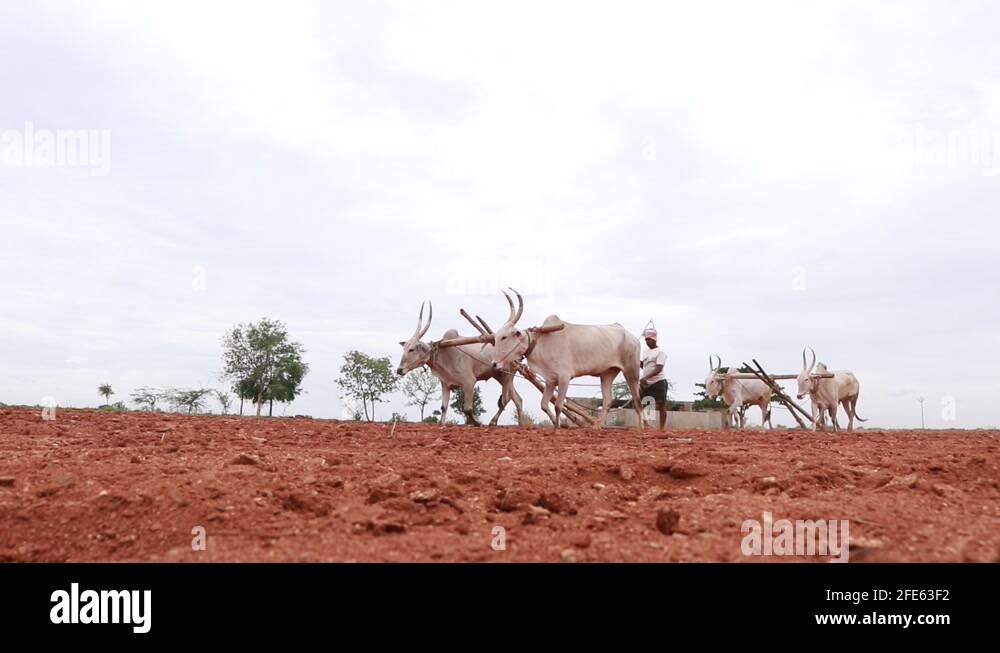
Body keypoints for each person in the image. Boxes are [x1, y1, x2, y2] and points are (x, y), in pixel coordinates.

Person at [639, 326, 668, 429]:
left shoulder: (661, 352)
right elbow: (643, 365)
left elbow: (659, 368)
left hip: (658, 382)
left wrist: (645, 377)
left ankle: (661, 428)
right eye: (646, 340)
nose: (647, 341)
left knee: (661, 405)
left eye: (649, 339)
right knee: (640, 404)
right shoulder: (645, 352)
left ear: (654, 339)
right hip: (646, 383)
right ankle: (646, 425)